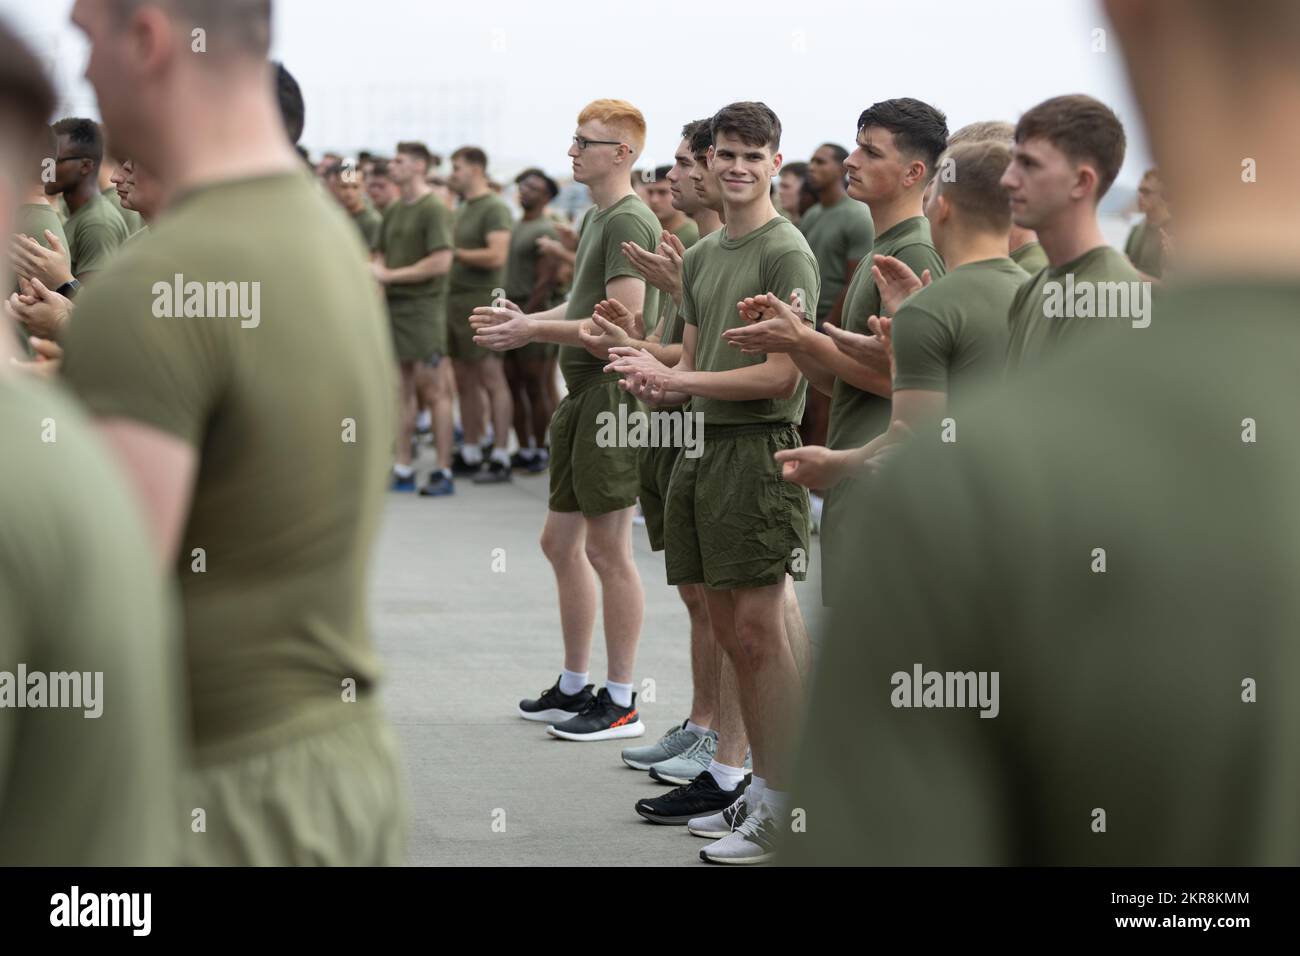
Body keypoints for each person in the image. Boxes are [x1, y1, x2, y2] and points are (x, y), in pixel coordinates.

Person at [59, 0, 405, 865]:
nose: (86, 77)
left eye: (85, 40)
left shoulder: (158, 279)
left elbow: (91, 625)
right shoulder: (324, 237)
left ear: (145, 38)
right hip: (341, 775)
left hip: (205, 796)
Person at [606, 102, 818, 863]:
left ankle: (789, 804)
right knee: (732, 634)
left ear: (774, 165)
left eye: (752, 156)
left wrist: (682, 378)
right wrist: (642, 366)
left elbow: (778, 374)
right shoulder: (701, 257)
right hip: (702, 447)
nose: (735, 167)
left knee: (761, 639)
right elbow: (688, 363)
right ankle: (761, 791)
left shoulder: (785, 249)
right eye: (726, 153)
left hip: (756, 451)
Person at [471, 99, 662, 742]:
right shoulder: (599, 216)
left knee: (610, 550)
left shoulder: (629, 217)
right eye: (574, 139)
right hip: (582, 398)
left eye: (588, 142)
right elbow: (584, 305)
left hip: (609, 397)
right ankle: (577, 685)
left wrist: (531, 327)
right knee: (561, 543)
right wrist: (526, 321)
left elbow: (616, 328)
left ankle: (622, 698)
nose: (574, 150)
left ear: (623, 154)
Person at [445, 145, 515, 483]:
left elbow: (497, 255)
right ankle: (472, 447)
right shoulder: (462, 208)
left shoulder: (494, 208)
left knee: (490, 377)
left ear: (475, 169)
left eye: (457, 167)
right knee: (464, 379)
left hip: (484, 302)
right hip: (456, 303)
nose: (452, 174)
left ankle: (500, 452)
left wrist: (453, 253)